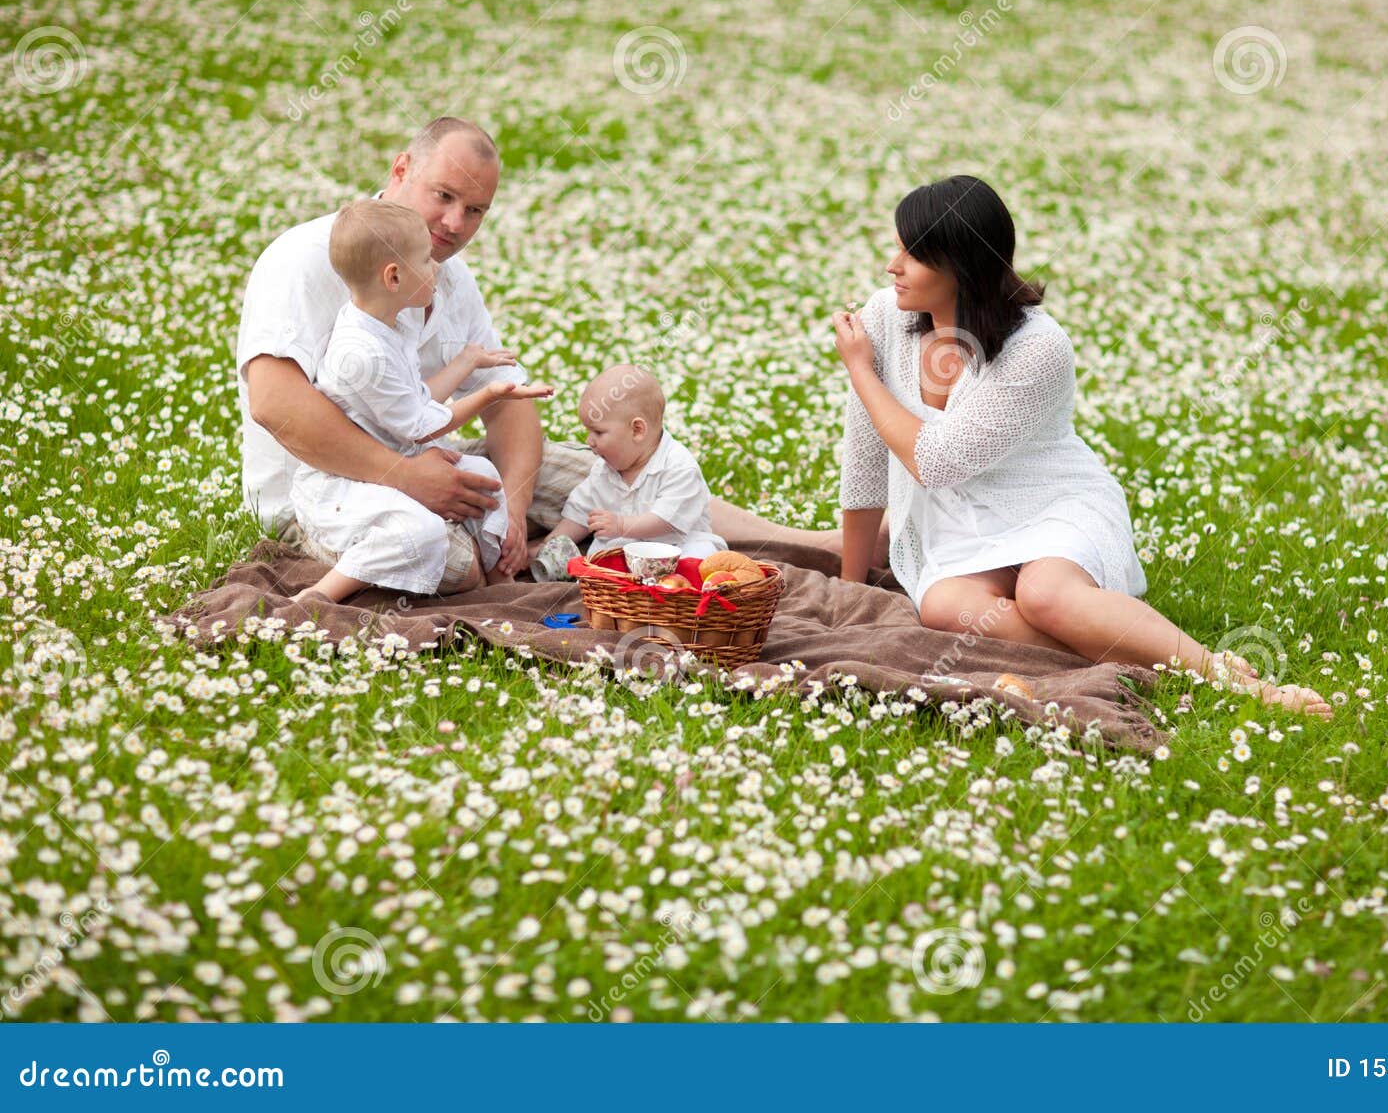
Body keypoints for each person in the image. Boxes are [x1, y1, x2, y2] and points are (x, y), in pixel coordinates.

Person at [234, 116, 845, 584]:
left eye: (475, 210)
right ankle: (470, 554)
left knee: (629, 475)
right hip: (326, 493)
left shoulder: (447, 275)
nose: (453, 223)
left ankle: (817, 544)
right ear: (400, 171)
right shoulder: (306, 258)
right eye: (442, 196)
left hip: (438, 464)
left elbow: (509, 402)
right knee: (452, 567)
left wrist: (516, 513)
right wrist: (408, 479)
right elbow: (276, 405)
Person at [832, 176, 1331, 718]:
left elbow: (934, 460)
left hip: (1052, 506)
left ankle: (1228, 678)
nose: (892, 266)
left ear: (963, 265)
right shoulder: (886, 316)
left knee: (1044, 596)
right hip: (958, 523)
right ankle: (1142, 661)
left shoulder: (1038, 347)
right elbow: (866, 461)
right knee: (946, 607)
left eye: (913, 254)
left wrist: (861, 372)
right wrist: (850, 590)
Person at [290, 200, 550, 603]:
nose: (436, 269)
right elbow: (423, 424)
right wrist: (488, 395)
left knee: (486, 475)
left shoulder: (387, 324)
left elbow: (418, 398)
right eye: (426, 261)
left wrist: (466, 361)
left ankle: (500, 576)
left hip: (401, 459)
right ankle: (323, 593)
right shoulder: (362, 354)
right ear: (394, 277)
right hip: (348, 483)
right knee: (421, 533)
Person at [538, 364, 727, 559]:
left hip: (678, 546)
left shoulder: (679, 466)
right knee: (598, 558)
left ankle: (680, 585)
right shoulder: (604, 470)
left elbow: (666, 520)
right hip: (627, 548)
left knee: (702, 553)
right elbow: (579, 514)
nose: (589, 441)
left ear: (637, 430)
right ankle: (609, 584)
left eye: (598, 432)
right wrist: (547, 546)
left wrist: (620, 525)